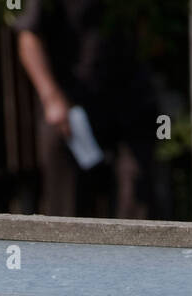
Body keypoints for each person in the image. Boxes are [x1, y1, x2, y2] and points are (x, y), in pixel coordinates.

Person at [14, 0, 159, 218]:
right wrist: (52, 98)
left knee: (139, 200)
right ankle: (63, 250)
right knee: (66, 212)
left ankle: (135, 251)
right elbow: (28, 38)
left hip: (131, 106)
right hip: (72, 111)